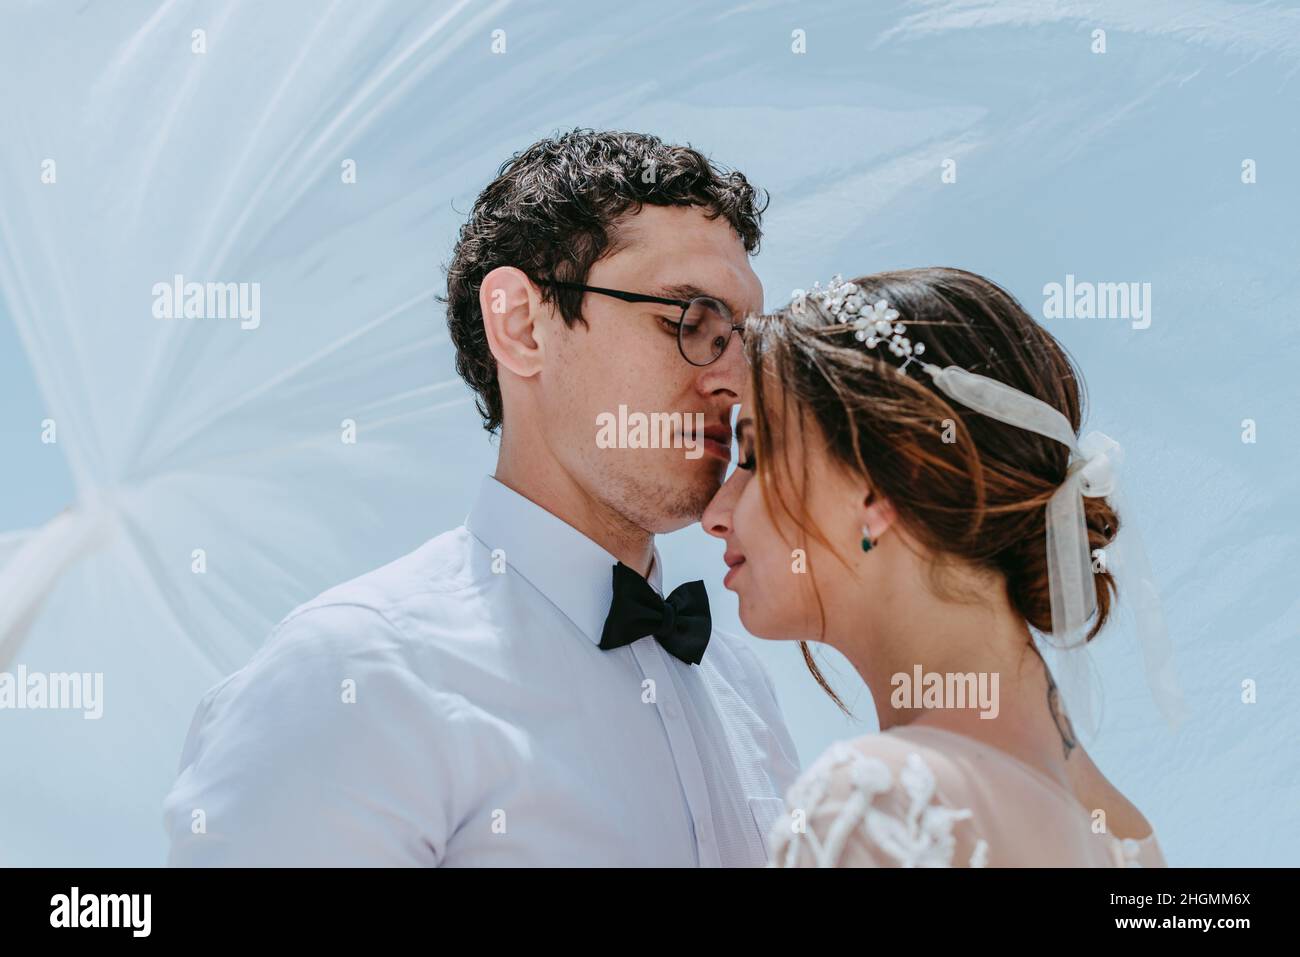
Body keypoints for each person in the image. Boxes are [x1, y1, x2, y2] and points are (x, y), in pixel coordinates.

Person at [162, 129, 801, 866]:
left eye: (745, 339)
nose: (735, 378)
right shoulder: (357, 672)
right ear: (522, 325)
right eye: (687, 321)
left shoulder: (742, 683)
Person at [702, 267, 1170, 867]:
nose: (715, 512)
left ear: (881, 487)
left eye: (755, 455)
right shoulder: (1126, 835)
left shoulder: (877, 807)